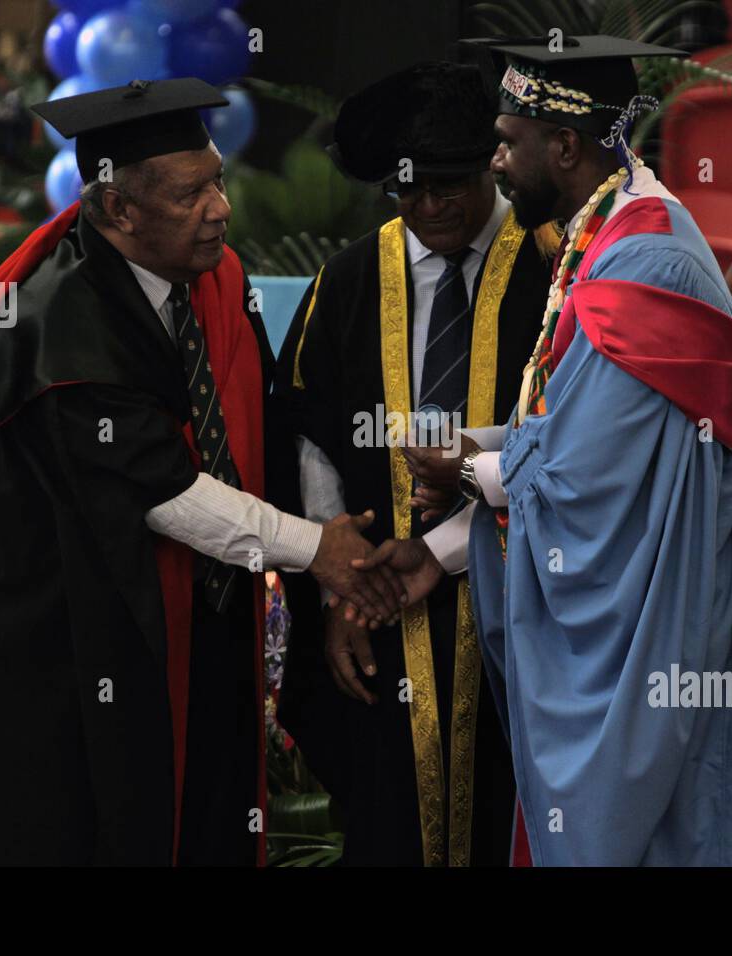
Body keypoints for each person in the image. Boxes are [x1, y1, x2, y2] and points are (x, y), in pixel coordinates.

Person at [350, 36, 732, 866]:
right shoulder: (609, 231)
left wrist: (460, 470)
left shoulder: (643, 261)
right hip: (662, 577)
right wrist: (477, 462)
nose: (495, 161)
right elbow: (582, 419)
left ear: (564, 145)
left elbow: (578, 477)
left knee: (662, 831)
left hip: (666, 604)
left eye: (506, 141)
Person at [0, 78, 403, 866]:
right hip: (68, 624)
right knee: (87, 814)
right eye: (193, 194)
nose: (221, 206)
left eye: (218, 178)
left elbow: (268, 418)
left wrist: (327, 547)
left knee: (211, 795)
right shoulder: (59, 325)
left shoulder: (214, 277)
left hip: (193, 598)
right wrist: (318, 549)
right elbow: (167, 493)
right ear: (119, 211)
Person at [273, 62, 552, 866]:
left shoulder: (554, 270)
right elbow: (308, 429)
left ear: (491, 165)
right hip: (380, 611)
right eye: (410, 189)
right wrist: (341, 580)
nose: (432, 206)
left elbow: (574, 445)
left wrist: (450, 543)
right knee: (389, 818)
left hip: (519, 602)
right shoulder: (351, 278)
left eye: (449, 184)